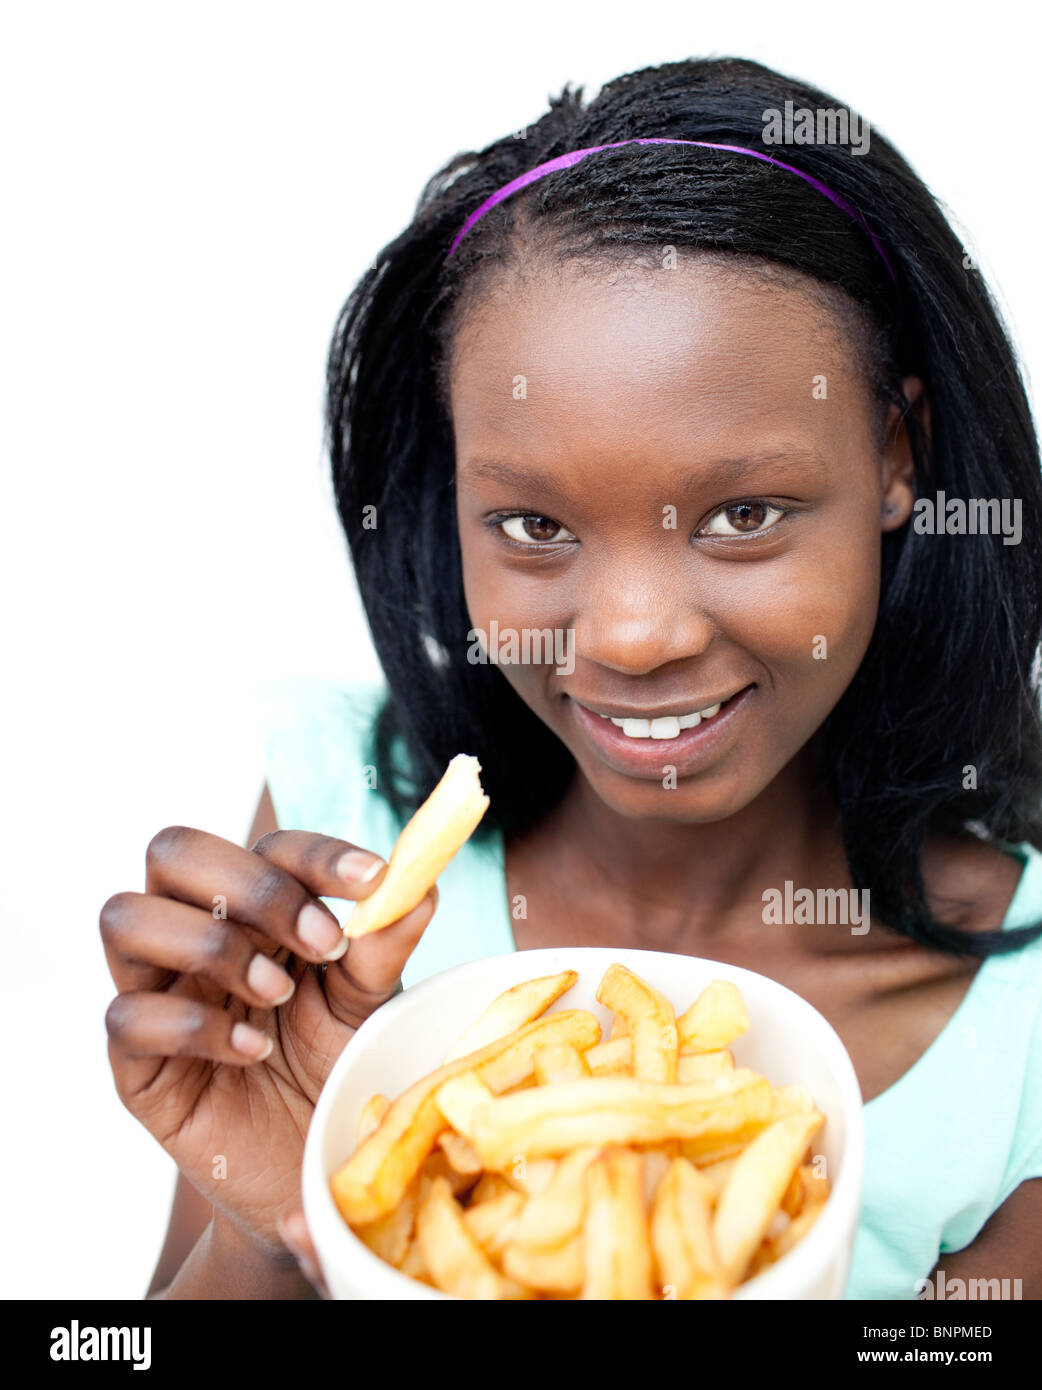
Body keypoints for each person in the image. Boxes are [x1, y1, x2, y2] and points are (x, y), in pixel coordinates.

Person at [101, 56, 1042, 1300]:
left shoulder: (1013, 1031)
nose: (634, 635)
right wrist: (269, 1219)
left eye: (743, 511)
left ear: (894, 456)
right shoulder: (336, 840)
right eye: (535, 527)